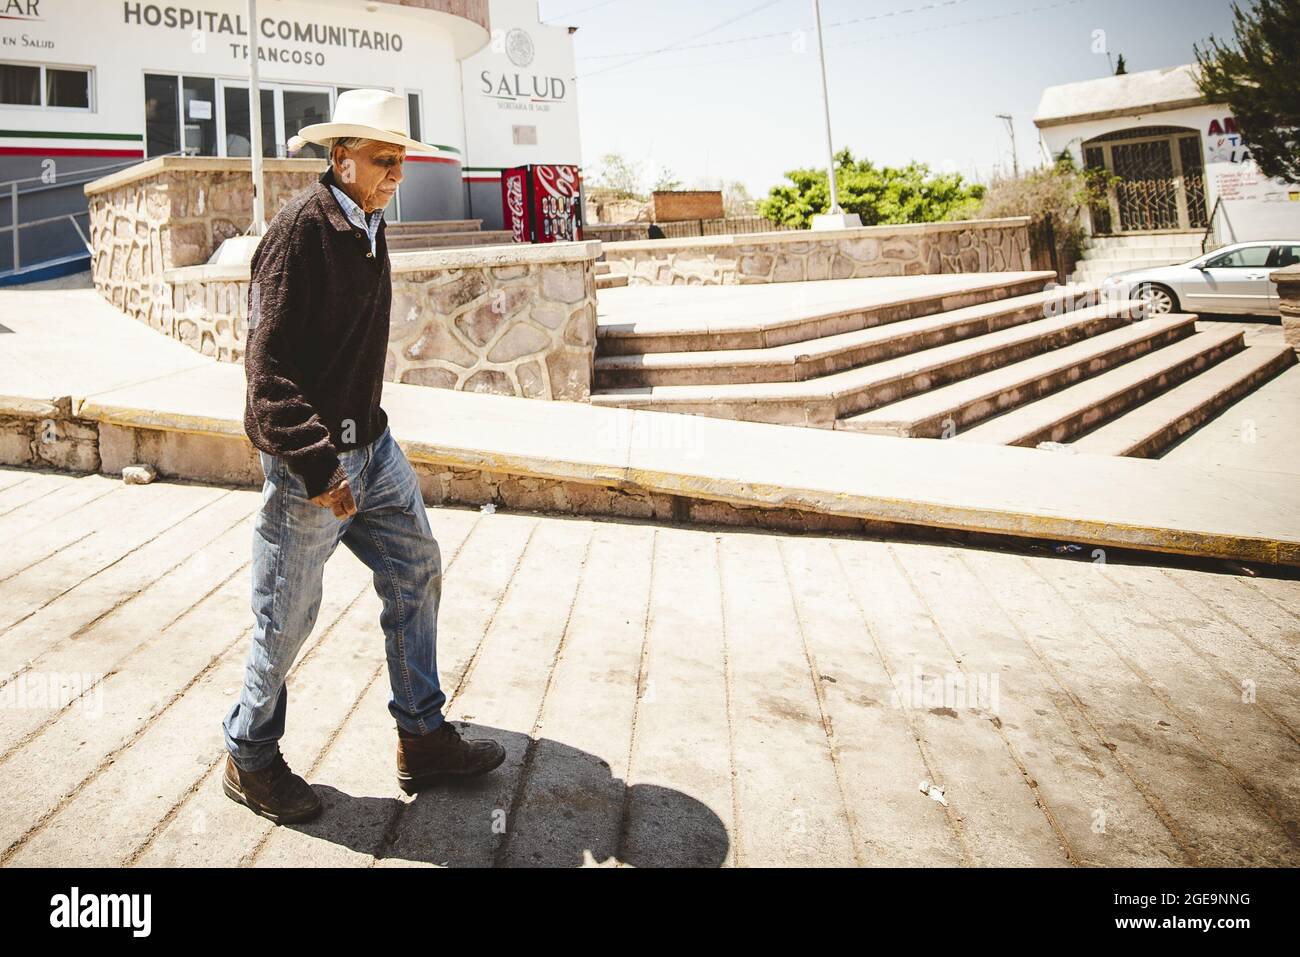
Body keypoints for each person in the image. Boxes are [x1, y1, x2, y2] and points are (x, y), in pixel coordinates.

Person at [220, 89, 505, 825]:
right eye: (383, 160)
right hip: (312, 469)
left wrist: (359, 447)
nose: (397, 174)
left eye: (401, 160)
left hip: (373, 448)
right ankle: (249, 756)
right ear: (340, 158)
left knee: (416, 567)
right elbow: (266, 371)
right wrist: (319, 467)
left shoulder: (368, 225)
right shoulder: (298, 235)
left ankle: (422, 733)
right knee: (285, 620)